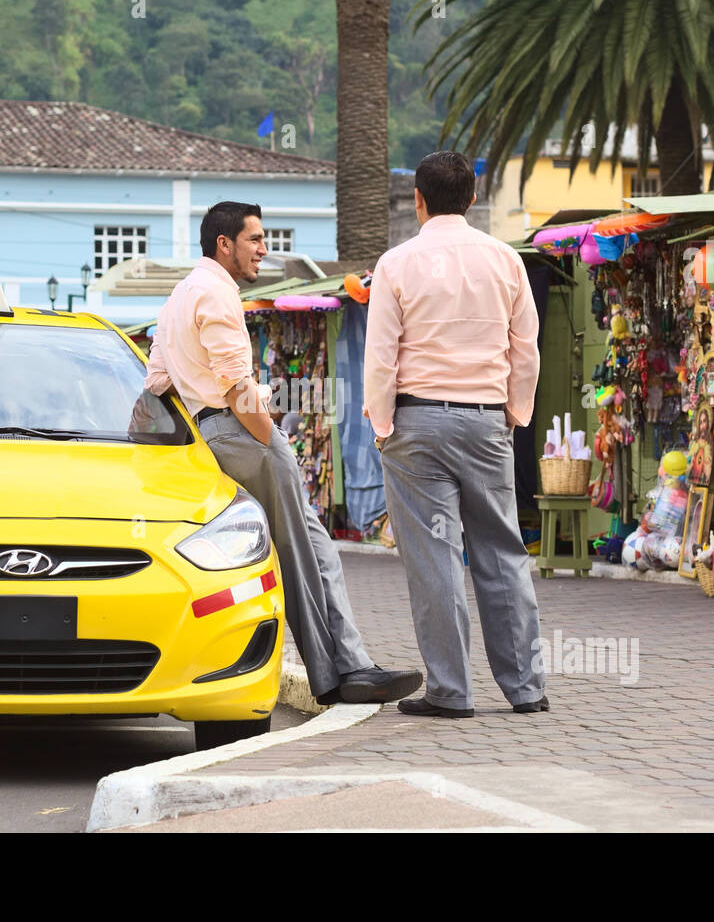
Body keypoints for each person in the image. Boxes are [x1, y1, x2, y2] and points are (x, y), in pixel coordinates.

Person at [144, 201, 423, 704]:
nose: (264, 251)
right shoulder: (216, 293)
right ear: (224, 244)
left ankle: (351, 663)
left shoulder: (179, 297)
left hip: (209, 437)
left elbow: (158, 380)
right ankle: (338, 673)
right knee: (301, 554)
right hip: (241, 433)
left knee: (313, 547)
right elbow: (234, 382)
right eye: (255, 239)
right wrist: (265, 430)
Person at [363, 151, 545, 718]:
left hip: (416, 425)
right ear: (472, 199)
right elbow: (526, 350)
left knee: (435, 558)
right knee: (503, 550)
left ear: (417, 200)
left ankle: (450, 691)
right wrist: (514, 413)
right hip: (487, 420)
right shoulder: (506, 260)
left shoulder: (396, 263)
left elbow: (380, 358)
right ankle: (526, 689)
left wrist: (383, 424)